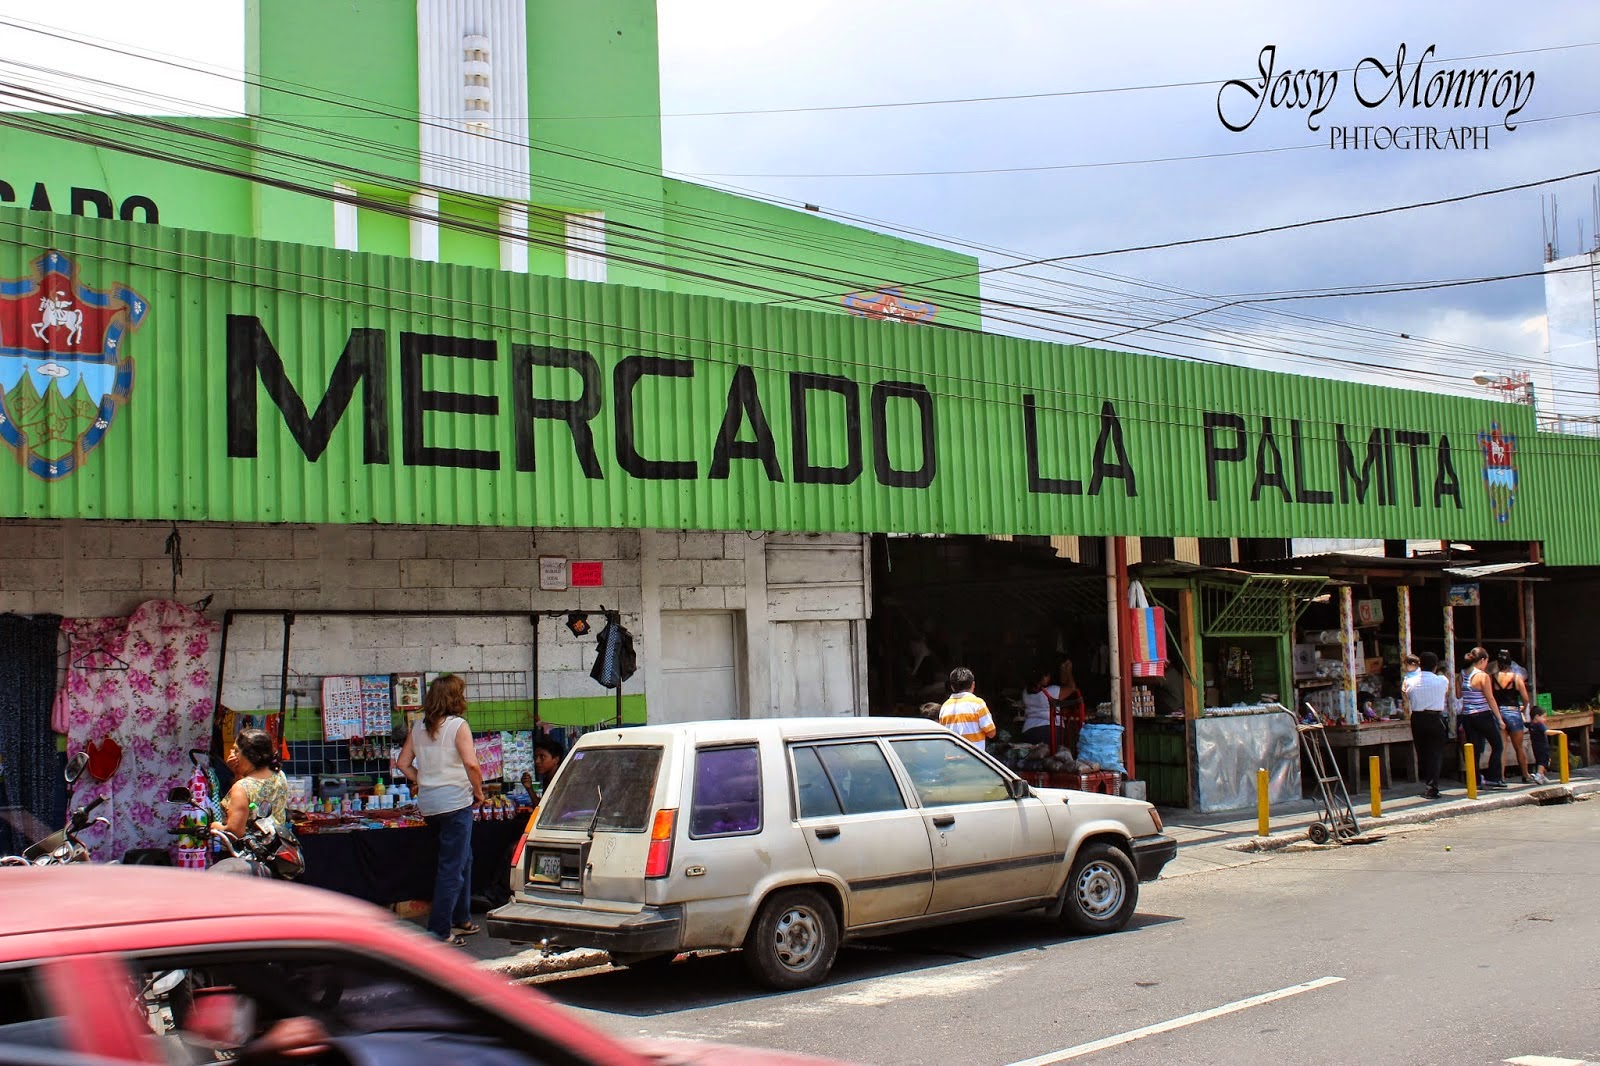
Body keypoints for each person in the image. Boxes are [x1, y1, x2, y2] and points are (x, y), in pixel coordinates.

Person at [395, 674, 486, 945]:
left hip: (430, 804)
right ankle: (440, 930)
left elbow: (402, 763)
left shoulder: (419, 727)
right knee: (452, 867)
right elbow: (471, 764)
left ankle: (461, 918)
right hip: (456, 803)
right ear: (456, 698)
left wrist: (421, 779)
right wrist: (479, 793)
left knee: (462, 859)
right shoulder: (458, 726)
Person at [212, 727, 289, 838]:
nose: (232, 754)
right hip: (275, 846)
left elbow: (234, 832)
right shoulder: (279, 775)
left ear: (249, 755)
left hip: (249, 852)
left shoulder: (242, 787)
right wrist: (237, 773)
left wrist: (215, 826)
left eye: (236, 751)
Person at [1402, 652, 1450, 799]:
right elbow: (1445, 693)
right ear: (1435, 666)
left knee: (1422, 752)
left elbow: (1406, 697)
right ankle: (1432, 786)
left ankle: (1429, 784)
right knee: (1435, 753)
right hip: (1435, 717)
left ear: (1419, 665)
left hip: (1417, 718)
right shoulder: (1442, 680)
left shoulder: (1410, 681)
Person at [1459, 647, 1507, 791]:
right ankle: (1493, 777)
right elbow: (1490, 698)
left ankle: (1475, 779)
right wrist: (1499, 719)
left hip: (1467, 716)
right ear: (1482, 660)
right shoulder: (1482, 676)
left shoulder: (1461, 674)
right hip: (1482, 714)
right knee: (1497, 745)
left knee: (1474, 749)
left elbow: (1457, 695)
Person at [1492, 649, 1534, 784]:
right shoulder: (1516, 678)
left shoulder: (1492, 678)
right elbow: (1526, 698)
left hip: (1499, 712)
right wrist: (1523, 708)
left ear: (1498, 663)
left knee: (1501, 747)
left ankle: (1501, 777)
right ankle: (1525, 775)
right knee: (1519, 747)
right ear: (1510, 663)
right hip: (1513, 712)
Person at [939, 667, 996, 751]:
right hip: (973, 759)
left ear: (952, 687)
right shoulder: (977, 703)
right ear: (973, 685)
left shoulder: (945, 707)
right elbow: (991, 733)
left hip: (950, 759)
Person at [1019, 670, 1055, 745]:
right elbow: (1072, 687)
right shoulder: (1052, 690)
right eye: (1047, 676)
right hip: (1048, 730)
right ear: (1042, 677)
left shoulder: (1025, 692)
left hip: (1027, 729)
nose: (1049, 678)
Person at [1527, 706, 1560, 785]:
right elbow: (1546, 732)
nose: (1545, 719)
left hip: (1535, 746)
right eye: (1544, 717)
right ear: (1537, 716)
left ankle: (1542, 775)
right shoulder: (1539, 725)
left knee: (1540, 761)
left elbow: (1524, 723)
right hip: (1543, 746)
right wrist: (1558, 732)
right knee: (1544, 760)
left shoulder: (1531, 725)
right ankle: (1539, 774)